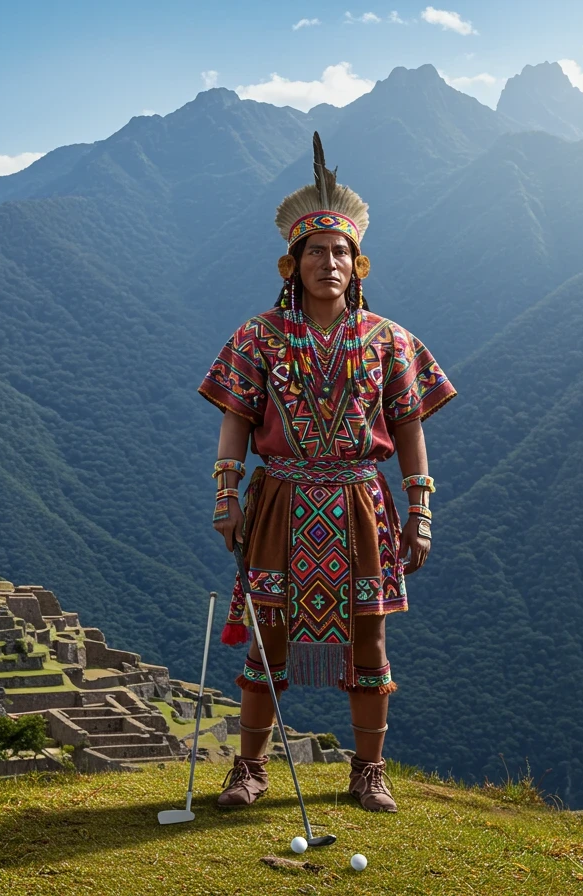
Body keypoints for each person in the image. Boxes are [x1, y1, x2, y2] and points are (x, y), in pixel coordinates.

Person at [197, 132, 456, 813]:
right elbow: (234, 418)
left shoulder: (390, 342)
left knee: (368, 637)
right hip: (279, 500)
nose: (329, 262)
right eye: (316, 251)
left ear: (357, 261)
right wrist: (226, 494)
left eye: (340, 251)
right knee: (267, 633)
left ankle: (367, 771)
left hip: (360, 506)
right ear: (292, 262)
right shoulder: (257, 337)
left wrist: (421, 509)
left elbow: (408, 427)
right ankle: (249, 769)